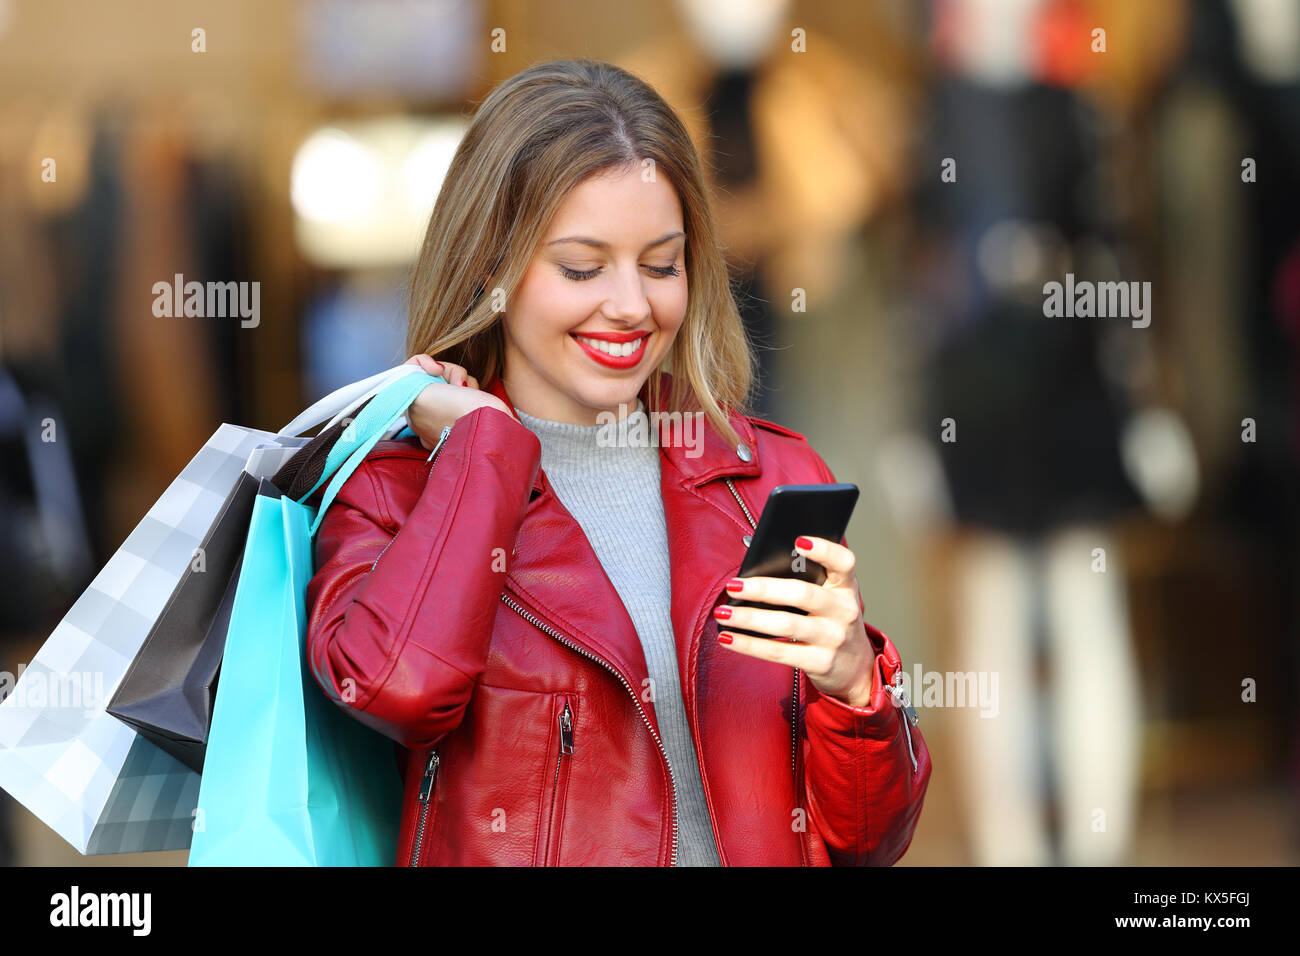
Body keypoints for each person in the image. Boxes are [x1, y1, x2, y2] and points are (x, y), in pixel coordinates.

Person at [304, 58, 931, 866]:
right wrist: (486, 449)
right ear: (494, 266)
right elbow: (394, 689)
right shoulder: (395, 489)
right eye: (582, 267)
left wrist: (856, 691)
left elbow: (870, 840)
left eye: (662, 264)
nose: (633, 305)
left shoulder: (768, 479)